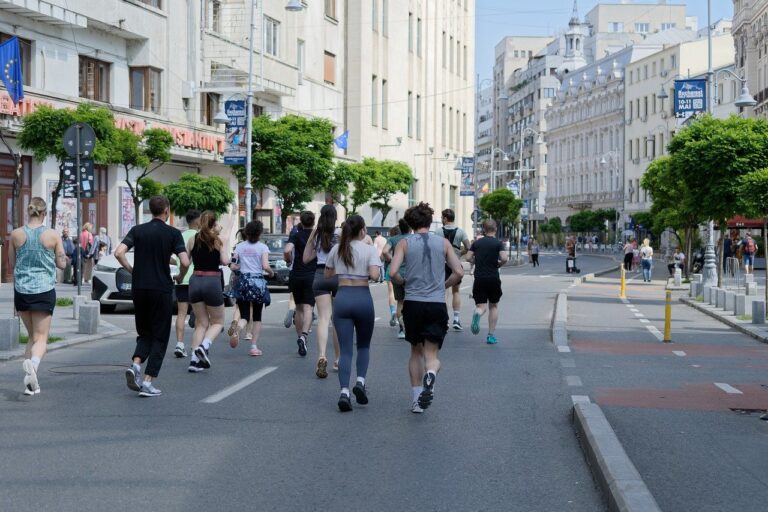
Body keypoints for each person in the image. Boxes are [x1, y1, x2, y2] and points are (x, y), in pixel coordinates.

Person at [390, 202, 464, 413]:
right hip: (436, 303)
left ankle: (416, 401)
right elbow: (458, 272)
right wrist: (443, 285)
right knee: (432, 355)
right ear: (430, 221)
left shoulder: (404, 243)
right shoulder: (443, 243)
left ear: (411, 222)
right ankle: (430, 374)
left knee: (415, 351)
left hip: (413, 303)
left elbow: (393, 272)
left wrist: (404, 282)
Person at [115, 195, 190, 397]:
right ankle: (148, 382)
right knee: (160, 336)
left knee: (145, 332)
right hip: (161, 289)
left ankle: (136, 364)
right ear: (166, 210)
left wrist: (132, 270)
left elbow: (118, 252)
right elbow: (185, 262)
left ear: (151, 210)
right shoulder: (173, 233)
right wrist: (180, 277)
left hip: (139, 288)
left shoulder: (137, 230)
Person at [9, 197, 68, 396]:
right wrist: (61, 257)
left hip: (22, 291)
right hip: (43, 290)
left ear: (29, 212)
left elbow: (12, 263)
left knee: (32, 337)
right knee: (42, 338)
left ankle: (30, 385)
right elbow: (62, 264)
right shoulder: (52, 235)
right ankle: (33, 367)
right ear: (44, 213)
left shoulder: (16, 234)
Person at [324, 215, 381, 412]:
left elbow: (327, 274)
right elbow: (374, 275)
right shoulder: (369, 249)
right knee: (363, 346)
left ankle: (344, 392)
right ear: (363, 230)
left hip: (343, 297)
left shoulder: (337, 249)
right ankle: (360, 381)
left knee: (345, 350)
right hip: (363, 298)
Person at [186, 211, 229, 373]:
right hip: (212, 281)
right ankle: (204, 346)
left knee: (201, 323)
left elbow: (185, 262)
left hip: (195, 280)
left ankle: (194, 361)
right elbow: (224, 261)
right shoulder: (219, 240)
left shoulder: (192, 239)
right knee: (217, 322)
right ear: (214, 223)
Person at [304, 205, 341, 374]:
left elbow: (305, 258)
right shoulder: (340, 234)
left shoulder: (317, 234)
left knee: (323, 318)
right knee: (337, 320)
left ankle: (321, 356)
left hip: (320, 275)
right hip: (338, 275)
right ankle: (338, 360)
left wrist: (313, 236)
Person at [229, 220, 274, 355]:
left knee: (244, 315)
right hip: (257, 283)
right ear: (260, 233)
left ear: (246, 232)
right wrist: (271, 273)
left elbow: (233, 265)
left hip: (243, 282)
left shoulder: (239, 247)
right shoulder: (263, 248)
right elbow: (265, 266)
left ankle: (238, 328)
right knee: (257, 316)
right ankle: (254, 347)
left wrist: (239, 267)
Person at [285, 211, 322, 371]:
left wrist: (289, 259)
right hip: (311, 275)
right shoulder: (317, 236)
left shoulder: (296, 235)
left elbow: (287, 250)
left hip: (296, 275)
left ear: (302, 222)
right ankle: (304, 336)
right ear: (313, 222)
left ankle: (300, 336)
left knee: (298, 308)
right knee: (308, 308)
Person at [467, 219, 508, 344]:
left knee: (481, 306)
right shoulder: (498, 243)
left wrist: (475, 261)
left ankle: (478, 313)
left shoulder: (477, 243)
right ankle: (490, 336)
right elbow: (504, 258)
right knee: (493, 306)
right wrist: (499, 264)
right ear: (495, 229)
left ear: (484, 230)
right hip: (493, 278)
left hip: (479, 278)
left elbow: (468, 257)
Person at [435, 208, 470, 330]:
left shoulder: (438, 232)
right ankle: (456, 319)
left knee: (444, 291)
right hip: (455, 264)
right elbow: (468, 247)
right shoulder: (461, 232)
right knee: (456, 291)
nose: (441, 220)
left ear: (445, 218)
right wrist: (459, 253)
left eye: (441, 217)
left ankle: (444, 320)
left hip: (442, 264)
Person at [172, 210, 200, 358]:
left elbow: (177, 259)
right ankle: (196, 347)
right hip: (196, 280)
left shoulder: (180, 236)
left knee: (181, 314)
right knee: (200, 315)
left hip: (182, 280)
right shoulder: (200, 236)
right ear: (196, 221)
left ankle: (179, 344)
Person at [382, 219, 411, 339]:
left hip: (396, 273)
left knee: (400, 301)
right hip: (411, 274)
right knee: (411, 301)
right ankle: (410, 327)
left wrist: (393, 260)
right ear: (410, 228)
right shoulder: (414, 239)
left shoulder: (393, 239)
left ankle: (401, 329)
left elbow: (384, 251)